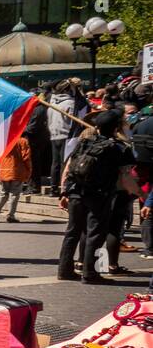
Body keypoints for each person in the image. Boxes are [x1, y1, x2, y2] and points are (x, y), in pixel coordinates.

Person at [58, 110, 132, 283]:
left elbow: (69, 167)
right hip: (100, 195)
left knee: (72, 232)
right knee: (95, 234)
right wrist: (140, 193)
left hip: (76, 192)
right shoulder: (119, 147)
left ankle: (64, 270)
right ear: (117, 127)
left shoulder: (84, 142)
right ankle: (90, 273)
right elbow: (126, 176)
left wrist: (64, 191)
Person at [0, 135, 32, 223]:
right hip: (16, 171)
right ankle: (10, 215)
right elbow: (26, 157)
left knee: (3, 193)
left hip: (4, 170)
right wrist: (29, 170)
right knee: (14, 194)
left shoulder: (3, 140)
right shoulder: (22, 141)